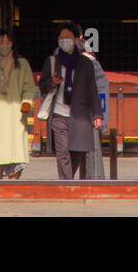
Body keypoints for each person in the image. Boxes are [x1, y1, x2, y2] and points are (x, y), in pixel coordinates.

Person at [38, 22, 101, 180]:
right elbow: (42, 86)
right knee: (63, 152)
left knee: (78, 151)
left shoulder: (86, 63)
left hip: (80, 114)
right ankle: (66, 185)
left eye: (68, 37)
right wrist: (52, 82)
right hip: (59, 114)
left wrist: (97, 114)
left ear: (75, 39)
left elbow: (92, 89)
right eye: (62, 37)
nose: (65, 40)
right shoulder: (52, 61)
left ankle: (67, 180)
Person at [0, 28, 37, 179]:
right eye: (1, 42)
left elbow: (29, 87)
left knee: (17, 150)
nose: (4, 45)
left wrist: (27, 102)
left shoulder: (22, 64)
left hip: (17, 114)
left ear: (13, 43)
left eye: (7, 42)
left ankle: (14, 180)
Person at [78, 27, 109, 179]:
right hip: (66, 114)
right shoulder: (59, 58)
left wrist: (101, 118)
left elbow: (101, 90)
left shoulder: (90, 60)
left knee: (92, 148)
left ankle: (94, 180)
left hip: (88, 113)